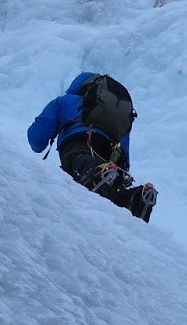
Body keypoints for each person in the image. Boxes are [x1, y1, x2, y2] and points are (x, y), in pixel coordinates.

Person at [27, 72, 157, 222]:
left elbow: (36, 141)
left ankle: (94, 169)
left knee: (80, 160)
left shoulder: (66, 102)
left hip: (80, 143)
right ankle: (134, 198)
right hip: (114, 157)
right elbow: (125, 152)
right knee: (110, 190)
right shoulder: (119, 116)